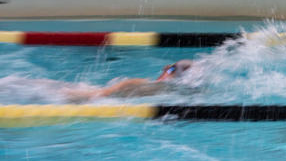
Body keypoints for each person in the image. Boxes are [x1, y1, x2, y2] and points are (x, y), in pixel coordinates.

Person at [62, 59, 193, 101]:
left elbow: (180, 65)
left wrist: (170, 69)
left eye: (170, 69)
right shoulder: (175, 92)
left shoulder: (138, 84)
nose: (165, 69)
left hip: (133, 88)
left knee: (92, 95)